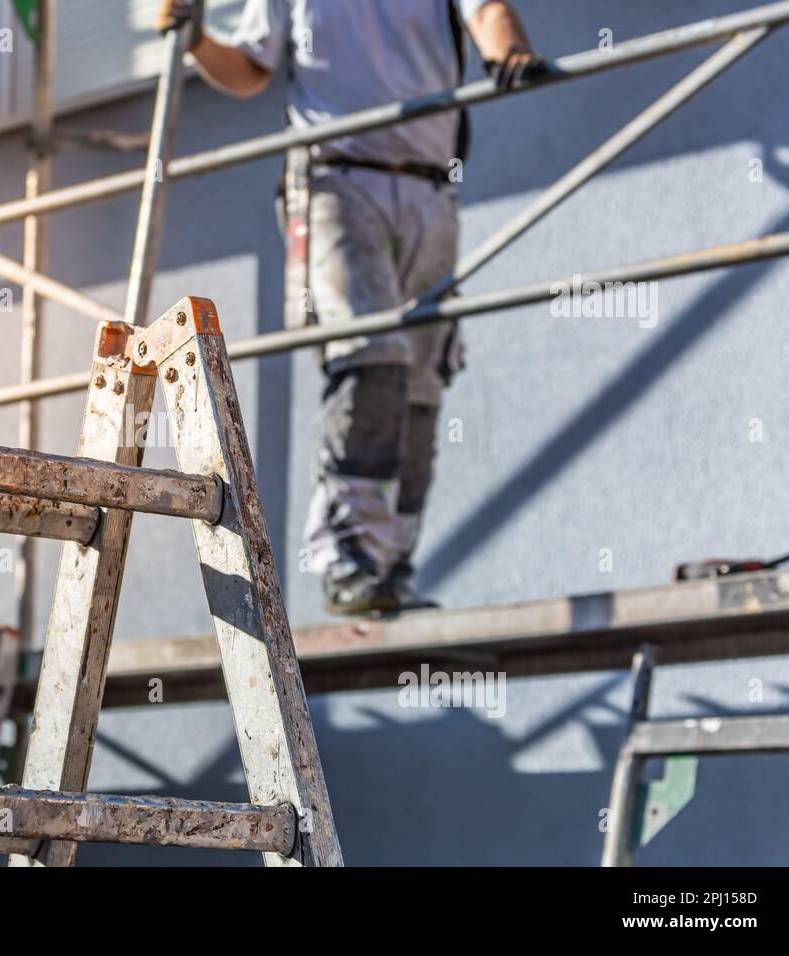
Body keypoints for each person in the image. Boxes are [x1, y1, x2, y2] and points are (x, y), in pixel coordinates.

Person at [155, 0, 547, 615]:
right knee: (372, 361)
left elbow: (488, 11)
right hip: (338, 180)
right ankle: (346, 558)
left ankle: (389, 567)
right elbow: (251, 68)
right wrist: (198, 38)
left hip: (428, 186)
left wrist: (508, 53)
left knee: (421, 383)